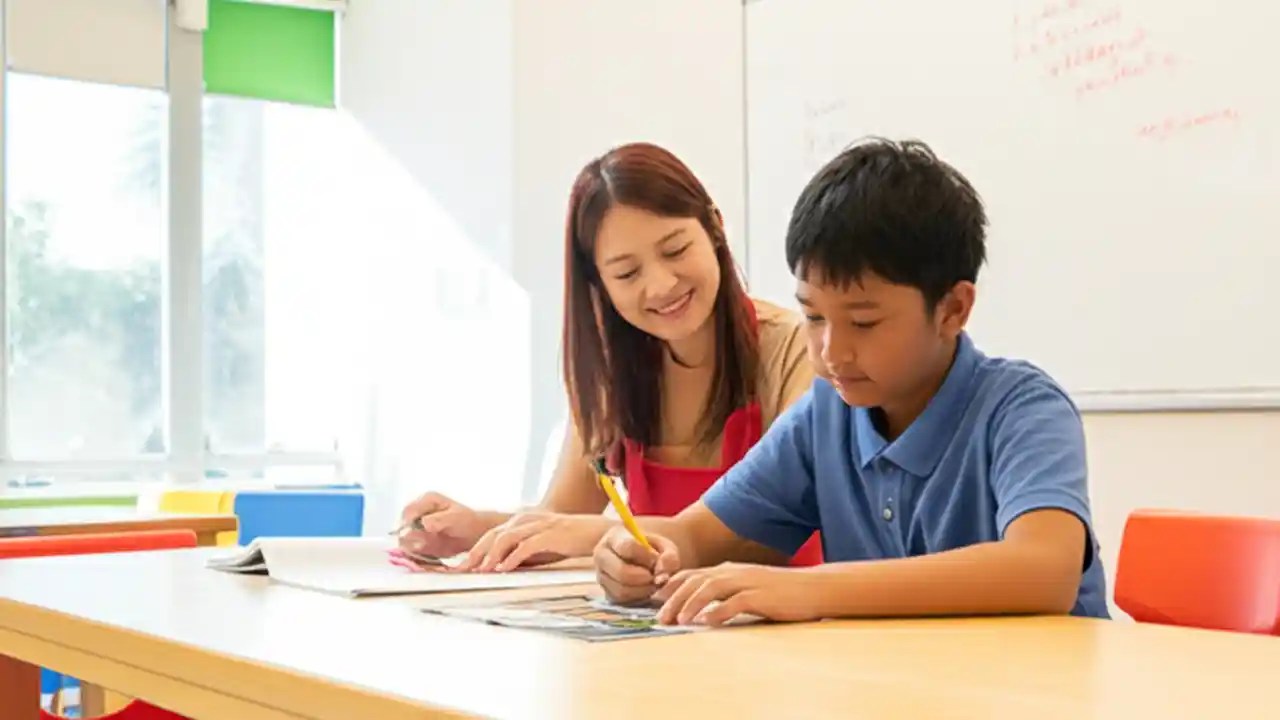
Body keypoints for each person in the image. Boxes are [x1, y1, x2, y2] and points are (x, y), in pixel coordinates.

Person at [593, 137, 1110, 625]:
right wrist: (644, 553)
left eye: (863, 322)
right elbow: (696, 534)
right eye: (814, 317)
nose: (831, 352)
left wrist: (812, 589)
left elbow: (1045, 570)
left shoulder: (1021, 409)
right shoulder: (827, 417)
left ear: (953, 309)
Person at [397, 142, 821, 570]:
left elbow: (768, 527)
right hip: (671, 627)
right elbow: (562, 520)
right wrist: (478, 527)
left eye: (675, 250)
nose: (660, 285)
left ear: (715, 228)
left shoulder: (797, 350)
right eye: (627, 273)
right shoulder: (611, 372)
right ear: (598, 283)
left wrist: (600, 532)